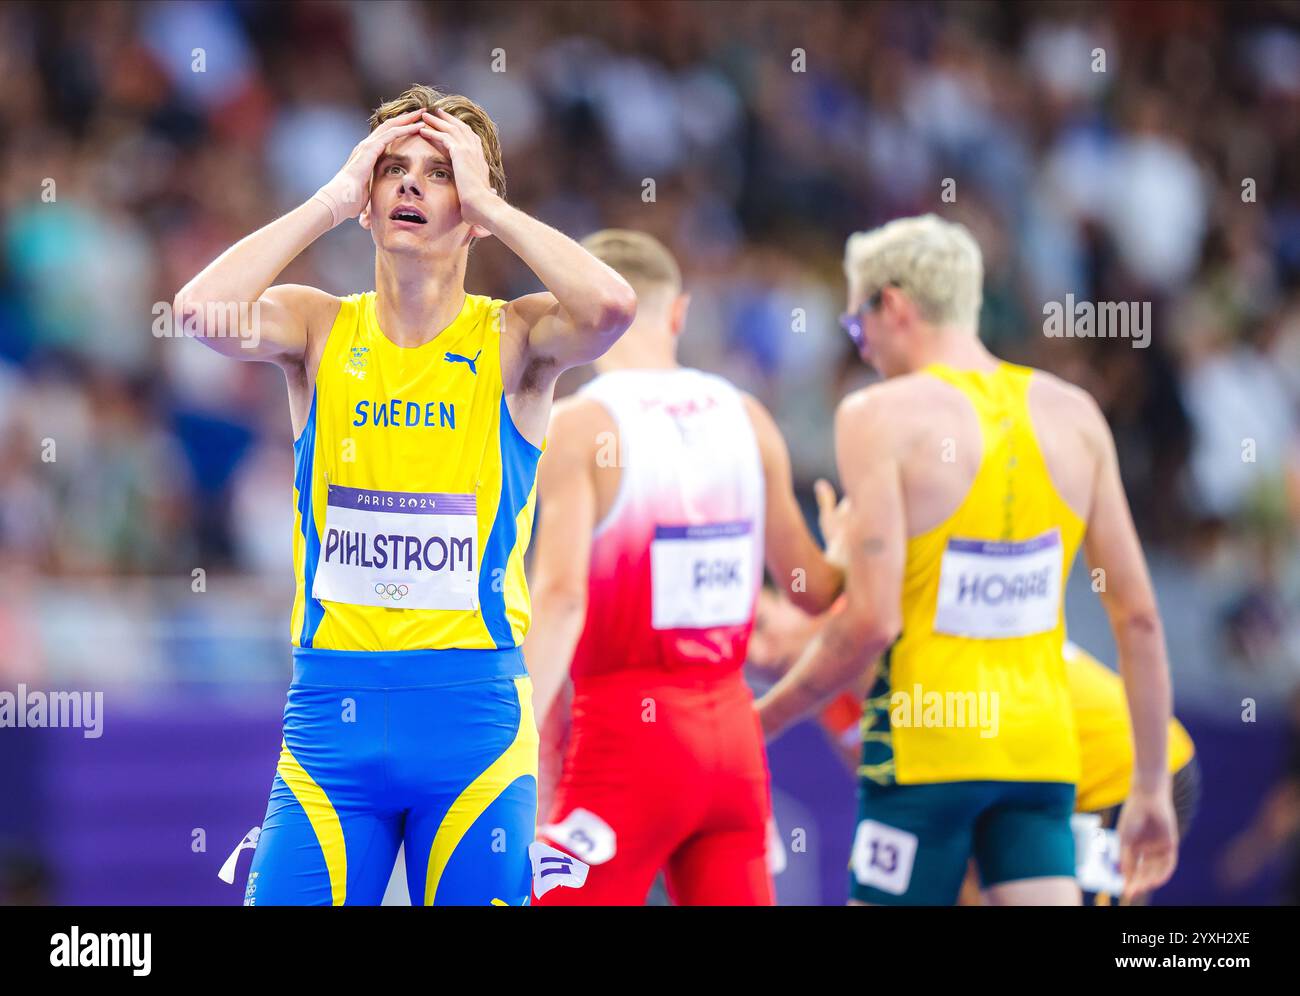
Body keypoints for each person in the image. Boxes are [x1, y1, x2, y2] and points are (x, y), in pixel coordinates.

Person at [175, 84, 636, 906]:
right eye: (393, 169)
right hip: (330, 719)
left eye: (439, 170)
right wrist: (328, 197)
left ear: (475, 207)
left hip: (473, 727)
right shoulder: (318, 328)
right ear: (368, 196)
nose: (411, 185)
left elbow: (609, 306)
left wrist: (491, 198)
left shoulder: (515, 339)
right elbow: (199, 312)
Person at [754, 214, 1179, 906]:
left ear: (892, 304)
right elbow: (1140, 619)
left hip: (927, 753)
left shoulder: (878, 415)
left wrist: (761, 721)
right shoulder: (1075, 414)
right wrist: (1151, 787)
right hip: (1041, 757)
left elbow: (870, 622)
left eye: (858, 328)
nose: (861, 351)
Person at [524, 230, 844, 905]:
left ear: (582, 314)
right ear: (680, 314)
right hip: (732, 739)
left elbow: (558, 601)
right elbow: (810, 590)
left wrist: (513, 737)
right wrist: (848, 553)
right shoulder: (748, 417)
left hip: (622, 742)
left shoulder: (581, 427)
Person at [749, 604, 1198, 903]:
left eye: (764, 624)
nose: (757, 652)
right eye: (745, 642)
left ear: (803, 598)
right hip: (1049, 779)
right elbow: (914, 816)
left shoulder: (875, 629)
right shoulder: (836, 699)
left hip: (1125, 765)